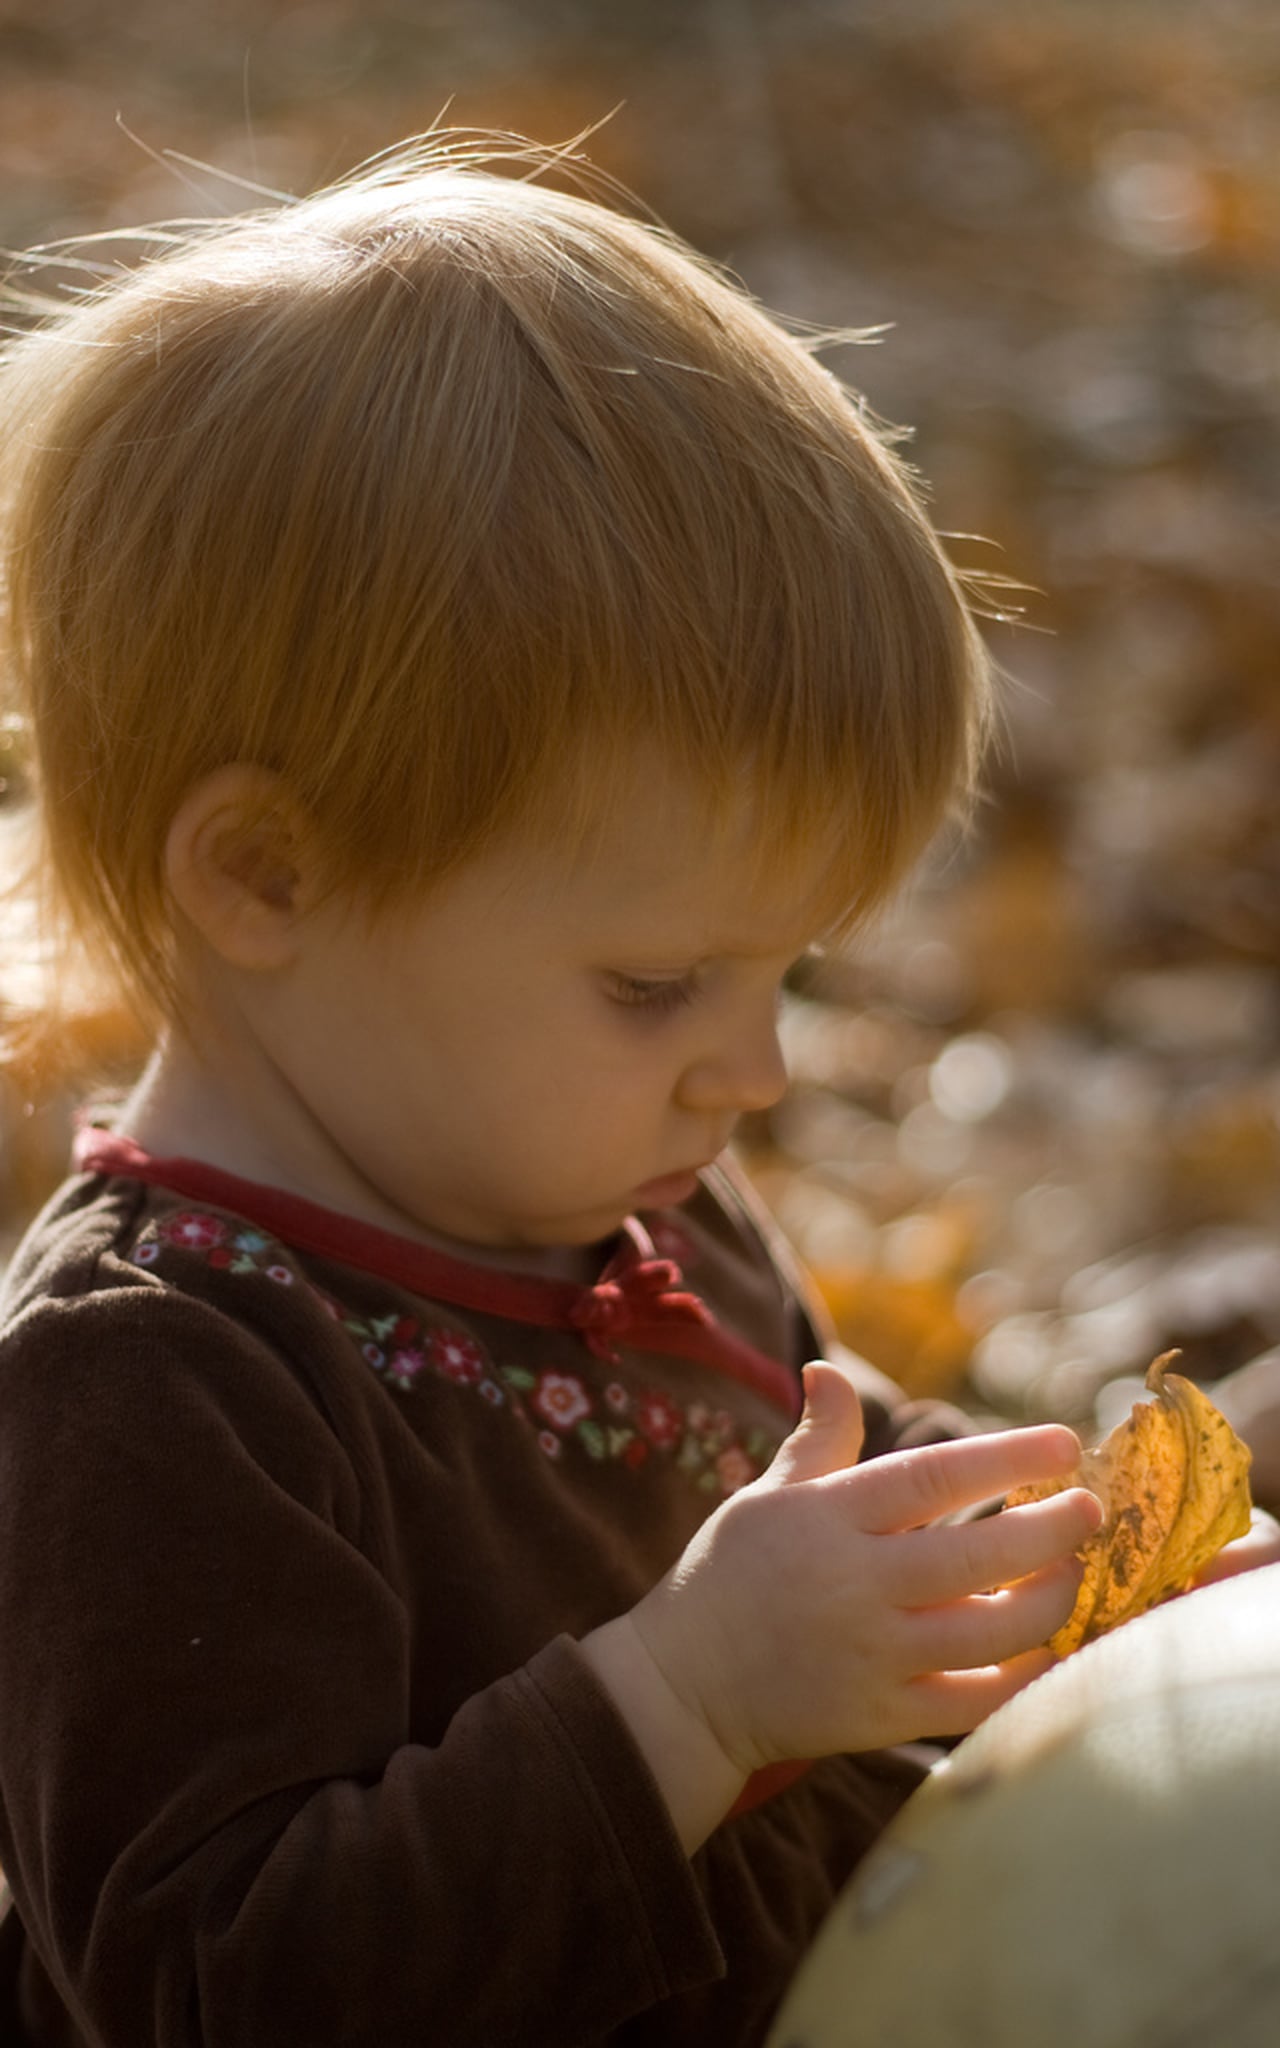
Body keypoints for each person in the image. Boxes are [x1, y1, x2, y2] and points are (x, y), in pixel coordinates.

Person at [0, 134, 1105, 2046]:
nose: (750, 1070)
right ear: (266, 876)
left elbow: (816, 1471)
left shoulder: (619, 1200)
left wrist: (1066, 1570)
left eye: (790, 971)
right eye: (656, 982)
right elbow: (213, 1988)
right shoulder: (153, 1386)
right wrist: (684, 1702)